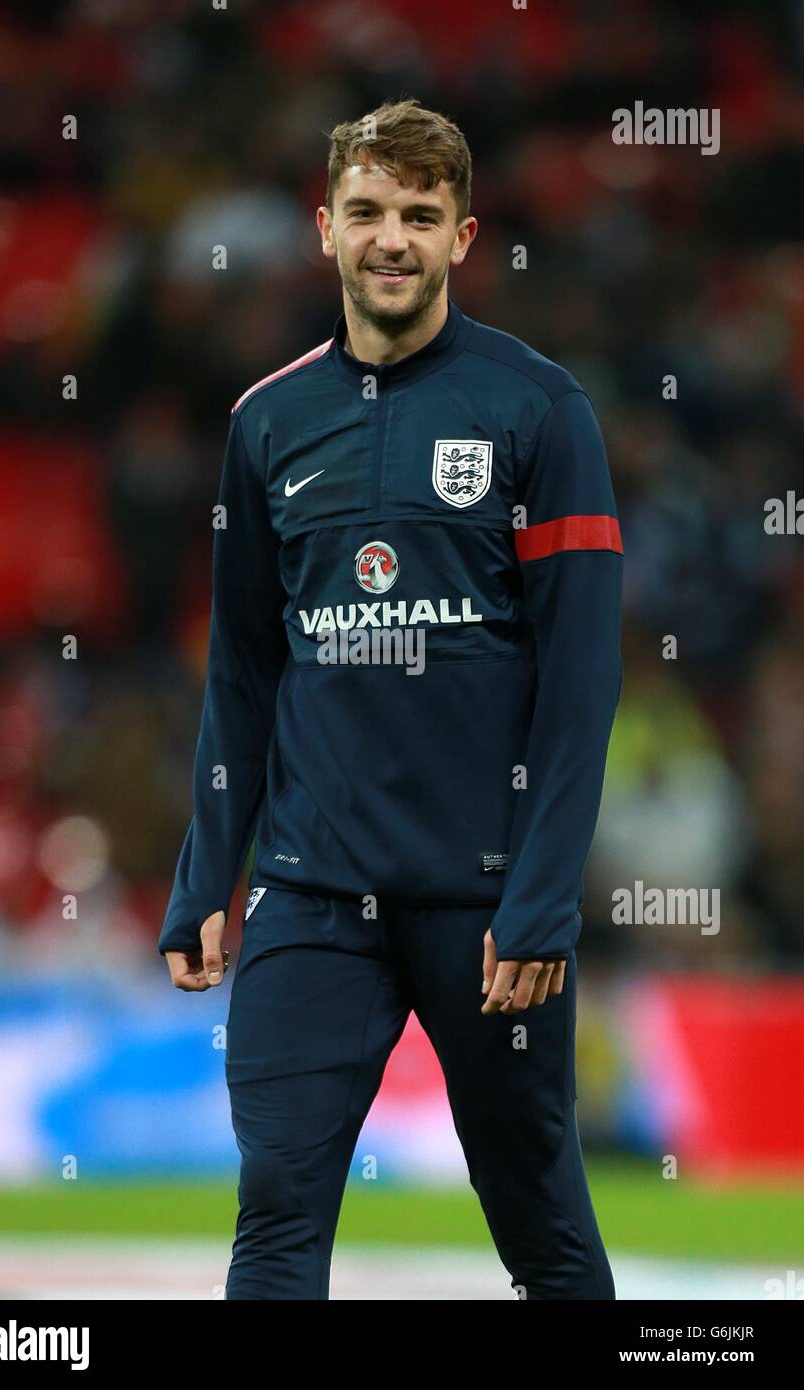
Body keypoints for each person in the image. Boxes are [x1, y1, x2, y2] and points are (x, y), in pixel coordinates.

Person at [159, 97, 623, 1301]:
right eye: (366, 212)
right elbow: (245, 668)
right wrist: (207, 874)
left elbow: (580, 685)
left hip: (482, 917)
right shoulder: (266, 423)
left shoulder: (538, 412)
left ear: (462, 237)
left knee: (546, 1240)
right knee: (274, 1223)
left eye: (420, 216)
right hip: (311, 900)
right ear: (324, 228)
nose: (391, 239)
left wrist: (537, 903)